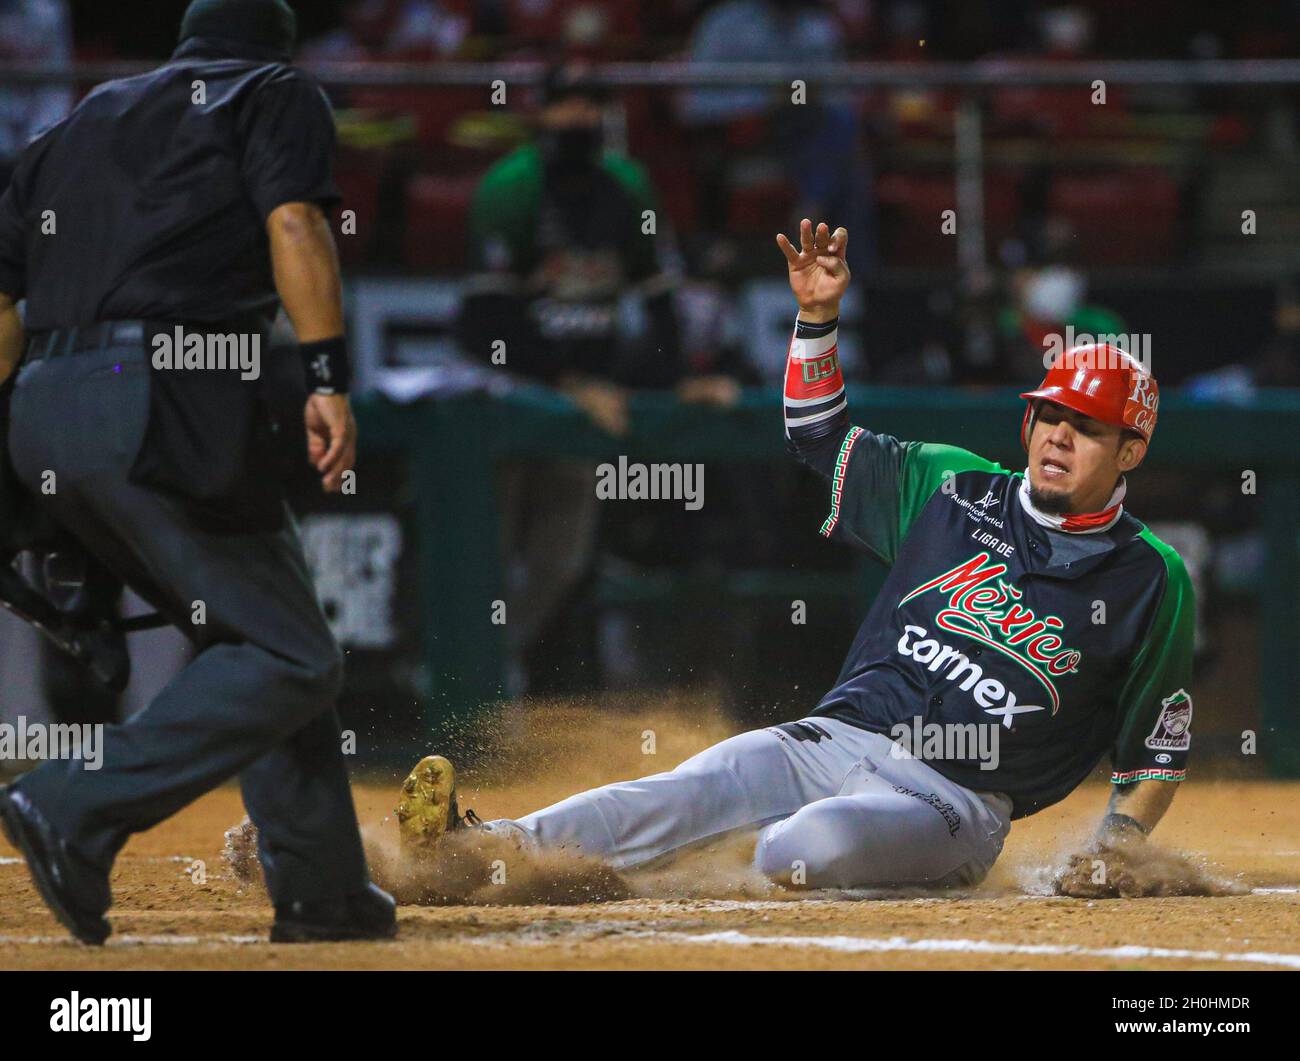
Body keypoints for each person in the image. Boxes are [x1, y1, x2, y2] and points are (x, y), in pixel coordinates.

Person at [397, 220, 1195, 893]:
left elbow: (1155, 746)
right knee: (692, 787)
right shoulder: (954, 486)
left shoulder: (1150, 576)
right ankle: (484, 849)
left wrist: (1116, 848)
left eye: (1087, 427)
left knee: (799, 849)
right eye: (1050, 415)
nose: (1059, 435)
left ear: (1131, 450)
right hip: (836, 735)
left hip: (952, 797)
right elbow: (818, 436)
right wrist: (817, 317)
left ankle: (734, 856)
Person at [0, 0, 393, 945]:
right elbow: (296, 222)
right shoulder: (273, 90)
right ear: (278, 42)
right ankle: (73, 804)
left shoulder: (78, 118)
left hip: (42, 403)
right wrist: (331, 377)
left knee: (255, 632)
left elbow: (6, 300)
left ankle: (322, 890)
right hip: (165, 393)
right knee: (292, 654)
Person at [456, 64, 686, 695]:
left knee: (560, 560)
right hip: (507, 399)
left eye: (590, 104)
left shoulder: (626, 186)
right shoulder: (511, 187)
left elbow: (662, 300)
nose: (576, 117)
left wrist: (682, 376)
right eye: (564, 104)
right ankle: (453, 670)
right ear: (540, 112)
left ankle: (496, 667)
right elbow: (482, 326)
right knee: (487, 556)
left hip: (587, 407)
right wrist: (568, 382)